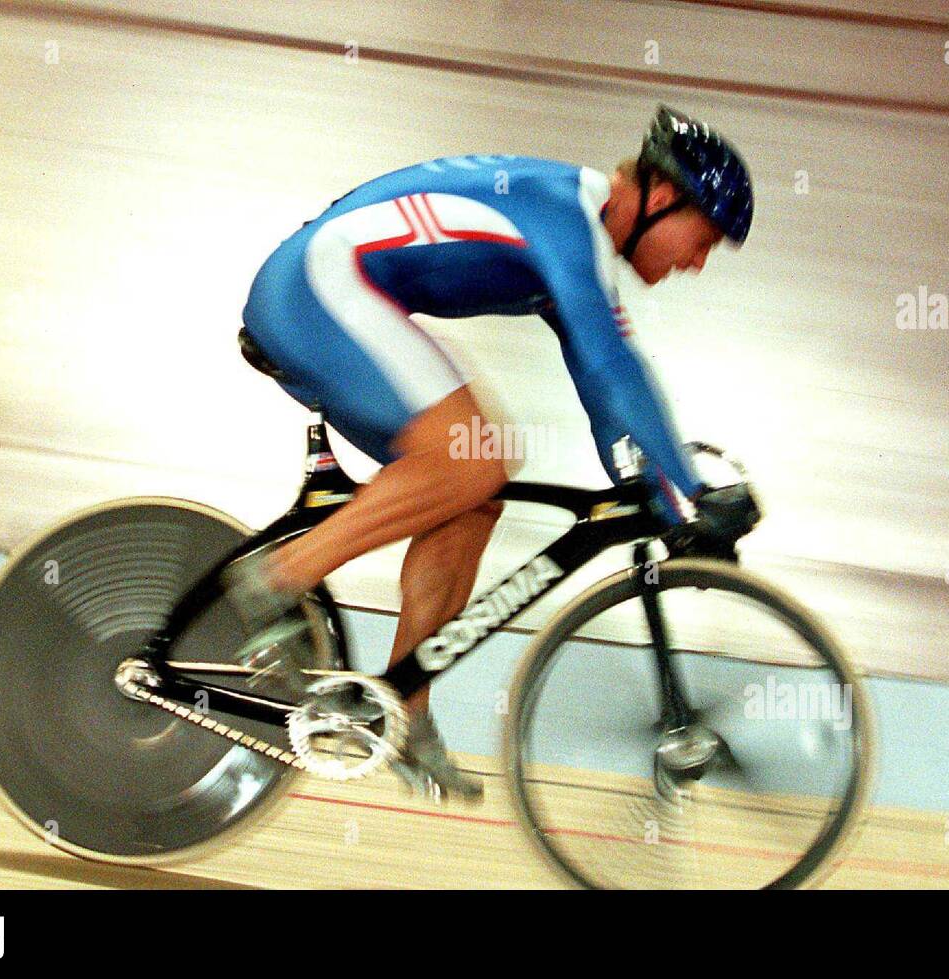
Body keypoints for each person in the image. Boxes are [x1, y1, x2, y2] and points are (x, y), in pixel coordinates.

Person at [225, 104, 755, 804]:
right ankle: (275, 580)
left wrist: (662, 501)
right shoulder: (569, 220)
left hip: (334, 290)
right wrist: (694, 488)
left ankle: (399, 709)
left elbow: (603, 390)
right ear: (662, 198)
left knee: (473, 496)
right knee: (476, 457)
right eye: (704, 238)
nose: (696, 262)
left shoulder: (580, 237)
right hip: (319, 286)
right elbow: (613, 364)